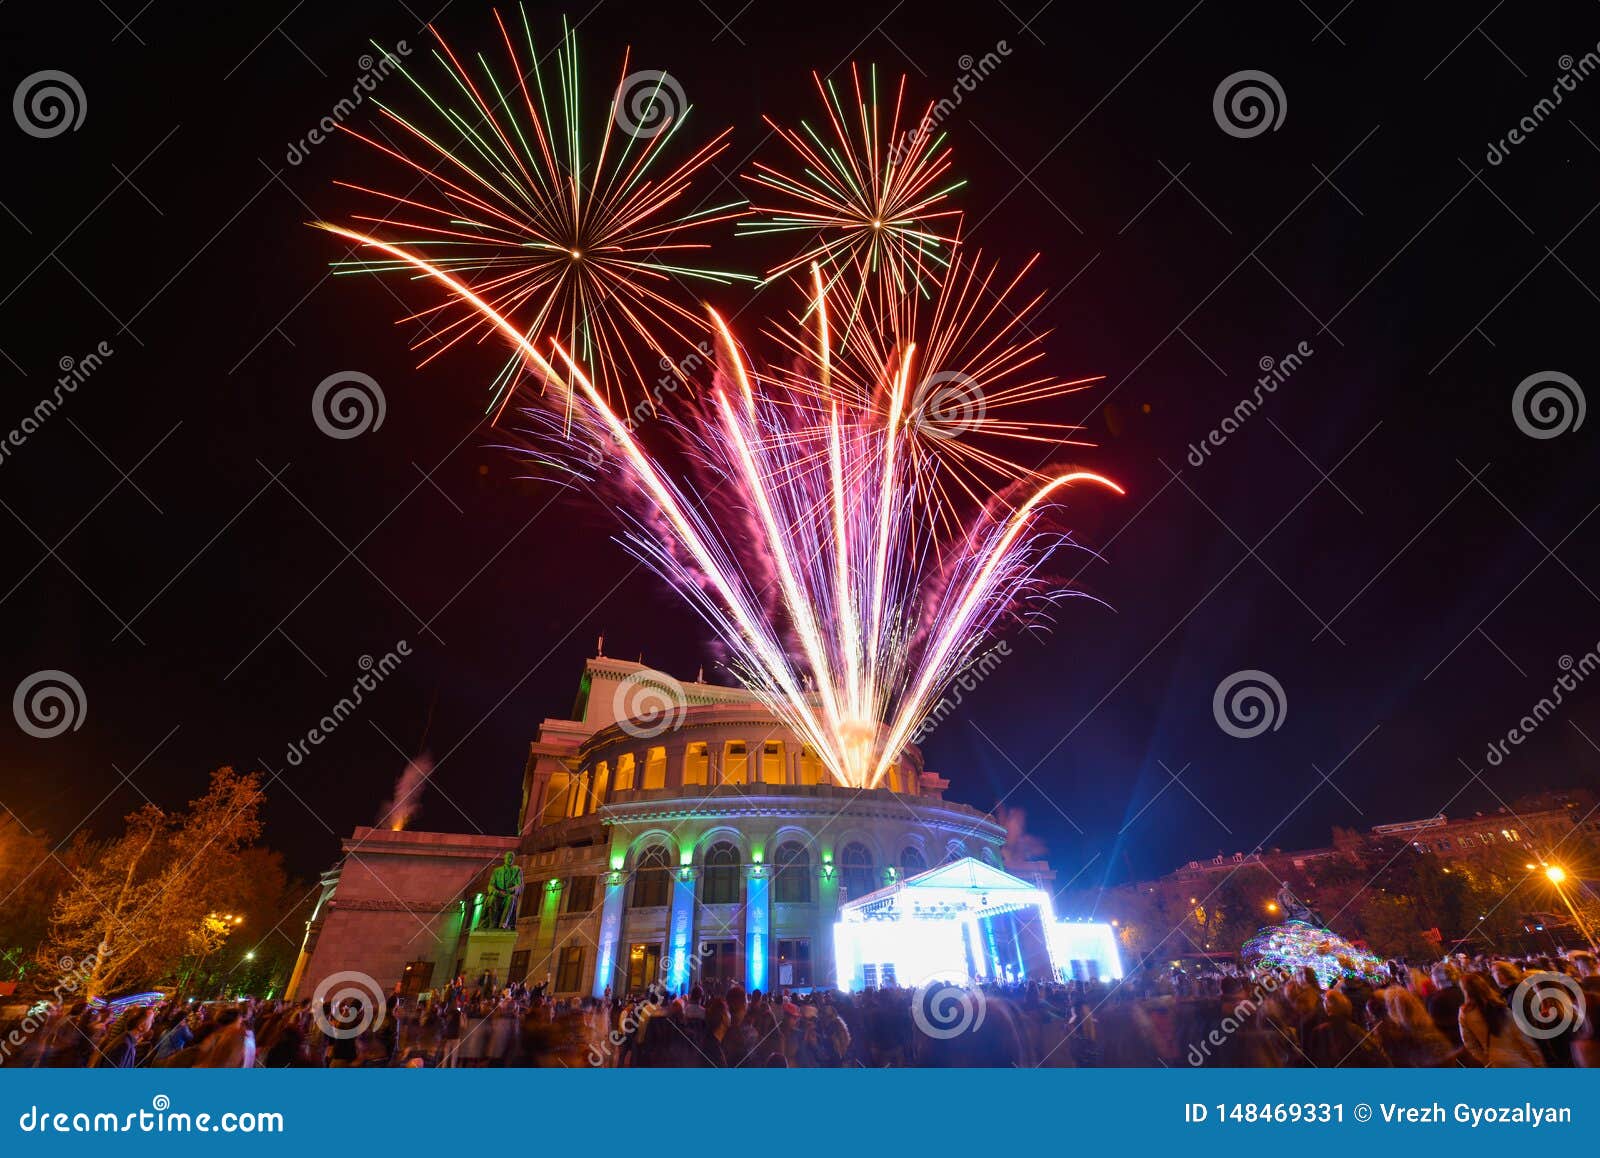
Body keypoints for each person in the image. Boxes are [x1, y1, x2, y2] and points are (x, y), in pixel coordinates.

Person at [1458, 973, 1542, 1067]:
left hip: (1495, 1061)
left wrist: (1485, 1059)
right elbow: (1523, 1037)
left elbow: (1469, 1043)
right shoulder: (1500, 1007)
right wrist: (1539, 1063)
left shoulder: (1465, 1013)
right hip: (1518, 1057)